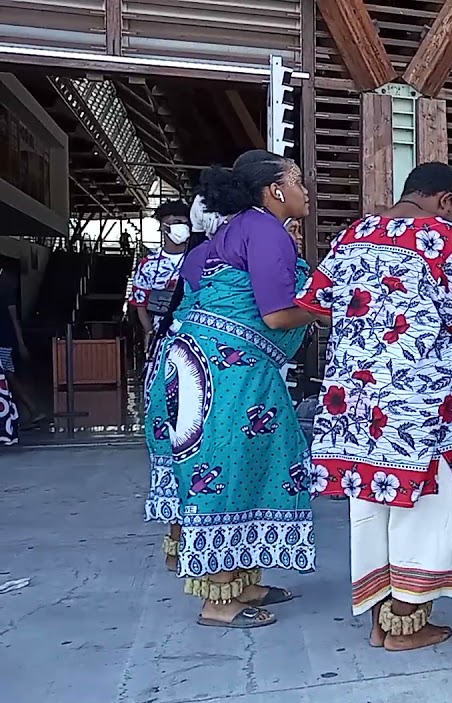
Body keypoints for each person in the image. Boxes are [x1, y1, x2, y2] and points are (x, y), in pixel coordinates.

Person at [297, 162, 452, 651]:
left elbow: (317, 305)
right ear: (445, 201)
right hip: (417, 404)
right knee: (425, 510)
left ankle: (379, 622)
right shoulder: (442, 238)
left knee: (371, 510)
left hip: (353, 402)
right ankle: (406, 620)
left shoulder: (354, 233)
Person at [169, 149, 319, 629]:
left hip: (202, 363)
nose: (304, 190)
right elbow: (276, 315)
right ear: (275, 190)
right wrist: (336, 308)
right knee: (229, 471)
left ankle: (241, 581)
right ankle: (218, 601)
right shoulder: (266, 230)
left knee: (246, 465)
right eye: (297, 180)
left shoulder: (228, 233)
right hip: (232, 370)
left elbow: (198, 282)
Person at [141, 194, 227, 571]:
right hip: (196, 365)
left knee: (176, 455)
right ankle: (190, 549)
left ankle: (176, 546)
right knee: (198, 457)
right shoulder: (216, 259)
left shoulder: (196, 257)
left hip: (175, 359)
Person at [130, 200, 192, 348]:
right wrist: (149, 331)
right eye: (177, 222)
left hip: (192, 332)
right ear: (164, 227)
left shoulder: (198, 259)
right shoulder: (148, 264)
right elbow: (140, 303)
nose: (182, 227)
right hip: (160, 335)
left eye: (185, 223)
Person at [0, 258, 26, 446]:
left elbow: (14, 318)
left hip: (3, 339)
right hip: (6, 338)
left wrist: (21, 343)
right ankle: (32, 409)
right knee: (8, 374)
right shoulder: (7, 288)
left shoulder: (5, 289)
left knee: (6, 376)